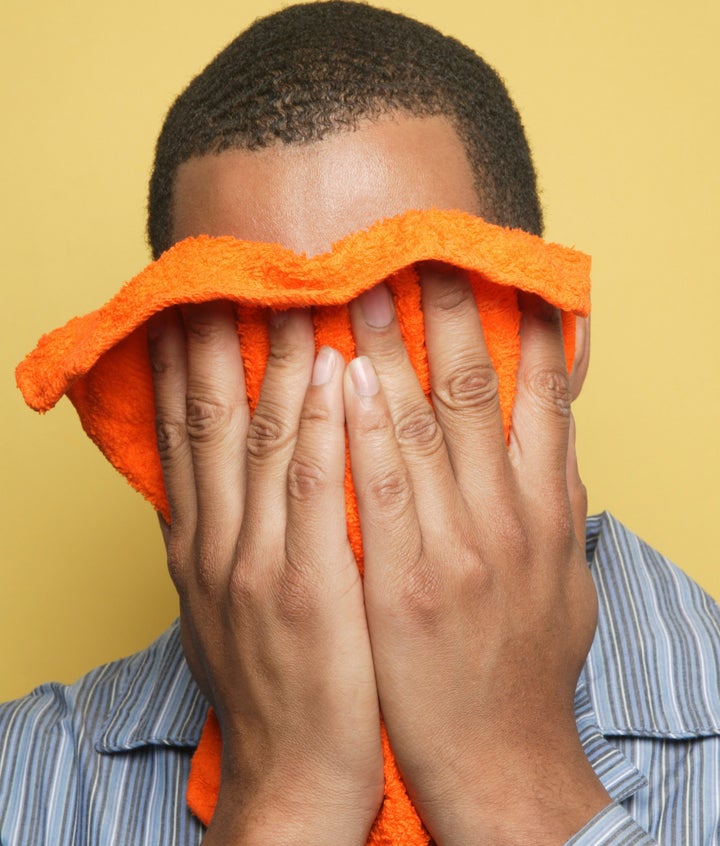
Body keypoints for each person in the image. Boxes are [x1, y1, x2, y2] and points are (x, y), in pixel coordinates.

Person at [1, 2, 718, 844]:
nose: (335, 419)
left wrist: (507, 775)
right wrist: (285, 796)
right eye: (257, 344)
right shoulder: (25, 778)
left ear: (557, 346)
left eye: (400, 316)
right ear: (178, 395)